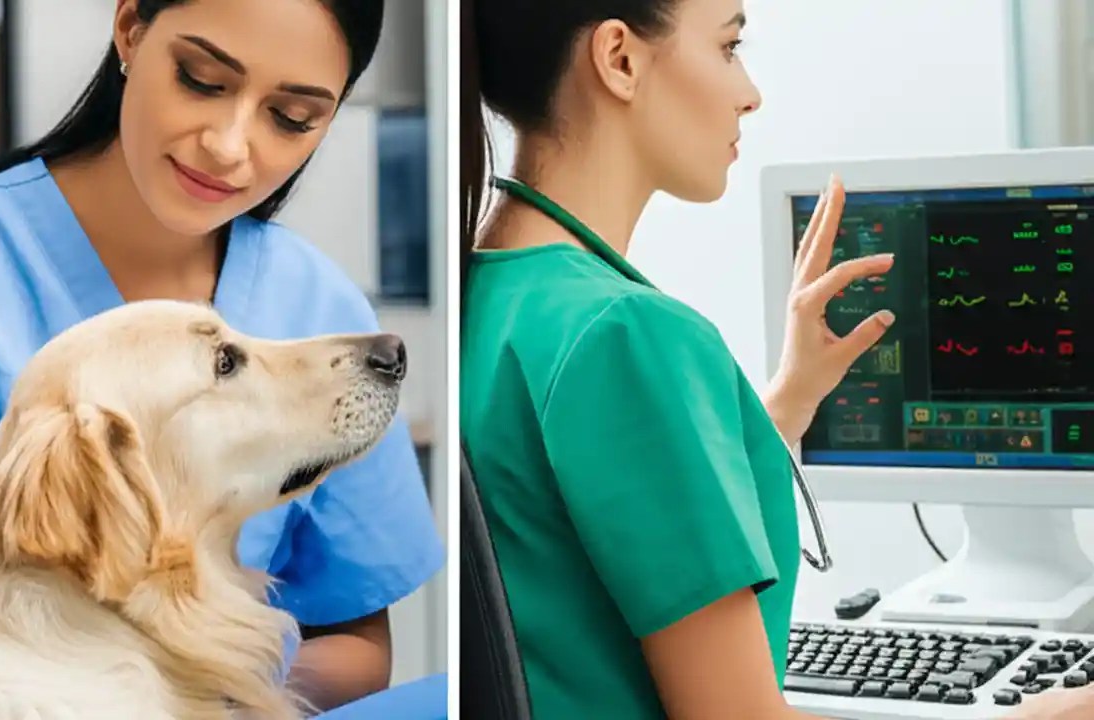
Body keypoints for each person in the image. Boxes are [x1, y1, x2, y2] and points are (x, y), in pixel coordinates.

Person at [459, 0, 1094, 718]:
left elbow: (582, 535)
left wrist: (792, 397)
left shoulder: (486, 293)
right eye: (729, 48)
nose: (749, 93)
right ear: (620, 60)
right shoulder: (628, 333)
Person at [0, 0, 443, 712]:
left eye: (292, 118)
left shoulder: (320, 313)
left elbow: (356, 639)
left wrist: (188, 686)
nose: (230, 146)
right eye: (202, 79)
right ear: (130, 31)